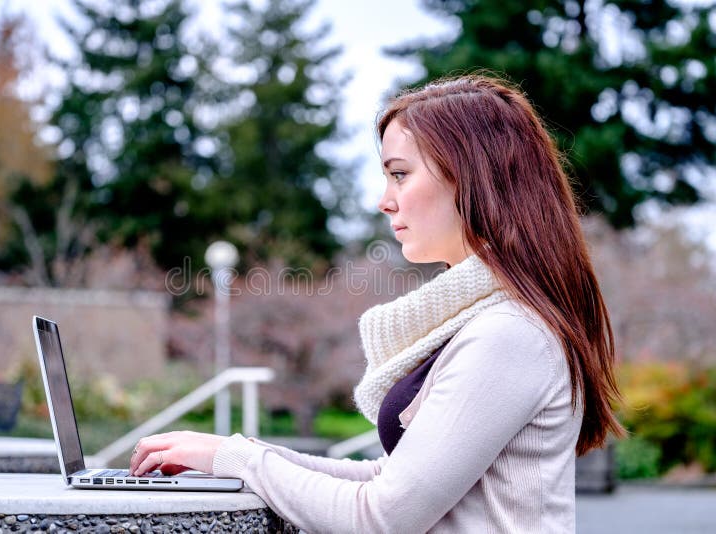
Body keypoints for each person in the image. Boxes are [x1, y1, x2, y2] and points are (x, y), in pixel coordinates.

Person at [129, 74, 624, 533]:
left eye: (400, 174)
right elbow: (387, 478)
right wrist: (233, 451)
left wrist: (239, 462)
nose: (384, 201)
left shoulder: (508, 334)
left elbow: (383, 516)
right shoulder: (483, 321)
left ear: (471, 177)